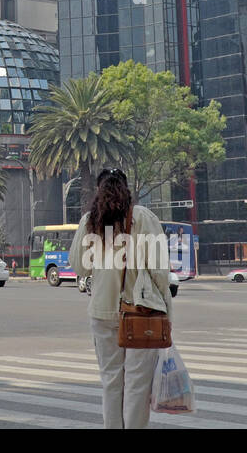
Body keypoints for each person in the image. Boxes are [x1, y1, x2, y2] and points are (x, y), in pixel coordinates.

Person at [70, 168, 173, 429]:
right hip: (142, 312)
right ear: (127, 189)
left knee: (111, 382)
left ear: (98, 190)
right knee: (137, 387)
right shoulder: (143, 217)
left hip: (102, 312)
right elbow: (160, 270)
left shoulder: (89, 221)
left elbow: (79, 267)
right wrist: (167, 313)